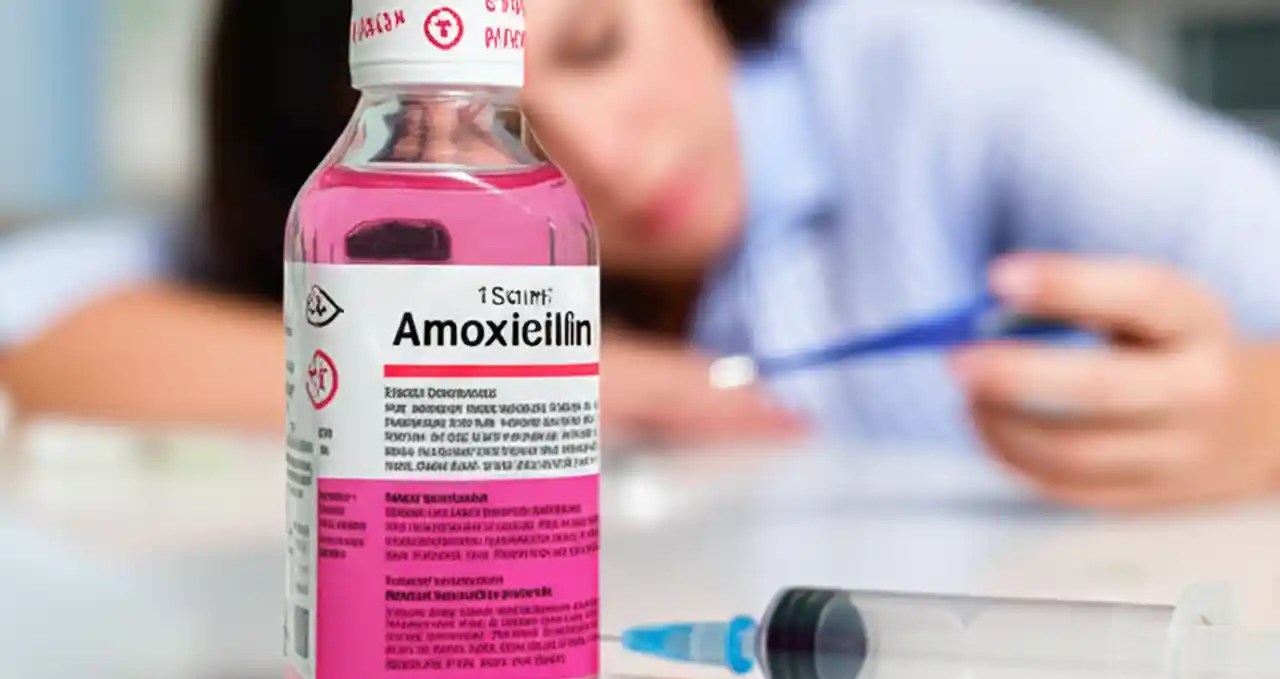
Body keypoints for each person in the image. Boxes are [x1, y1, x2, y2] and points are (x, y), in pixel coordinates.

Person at [521, 0, 1280, 508]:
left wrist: (1256, 419)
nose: (602, 157)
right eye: (509, 136)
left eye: (597, 47)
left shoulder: (946, 80)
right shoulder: (481, 275)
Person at [0, 0, 798, 442]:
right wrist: (572, 376)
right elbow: (39, 327)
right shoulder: (340, 204)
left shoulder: (905, 83)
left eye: (596, 45)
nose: (605, 159)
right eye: (482, 141)